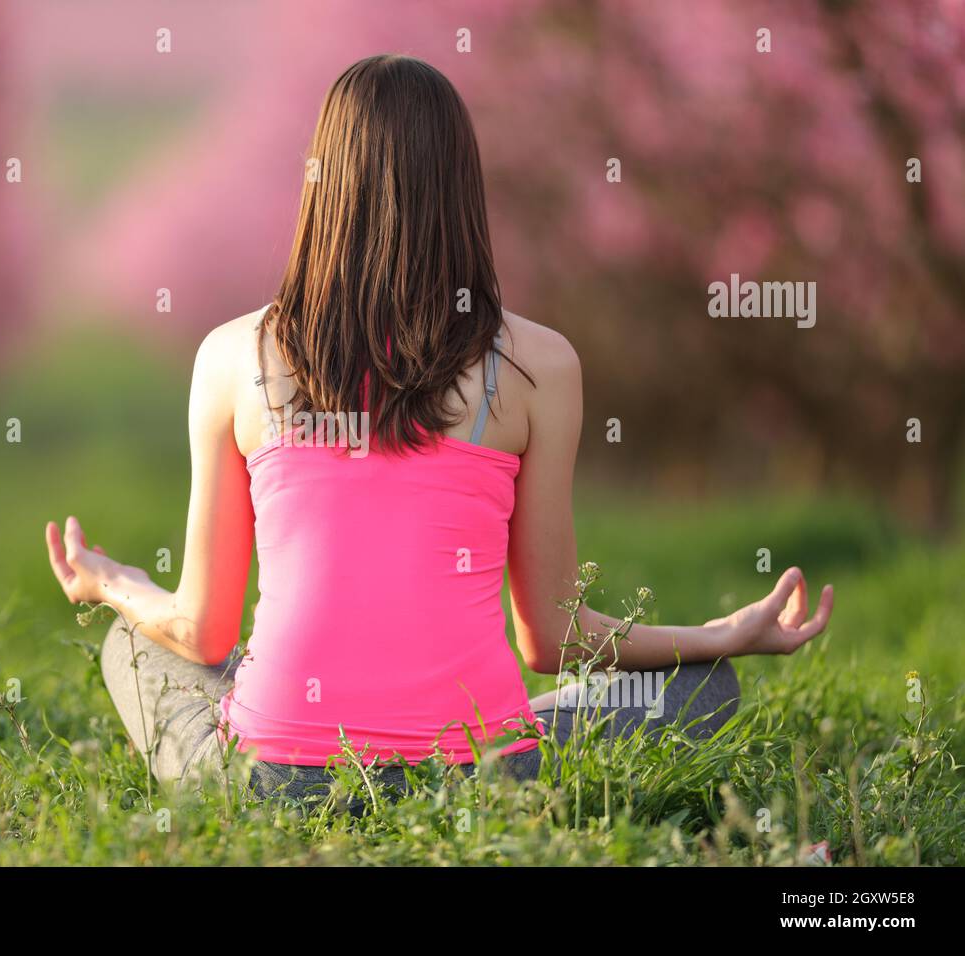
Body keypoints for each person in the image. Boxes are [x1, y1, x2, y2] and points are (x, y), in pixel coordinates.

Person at [45, 54, 834, 802]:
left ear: (321, 181)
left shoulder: (232, 356)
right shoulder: (540, 366)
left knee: (136, 641)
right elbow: (552, 642)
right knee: (705, 682)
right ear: (462, 184)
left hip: (277, 782)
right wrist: (721, 632)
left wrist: (113, 584)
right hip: (485, 777)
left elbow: (201, 629)